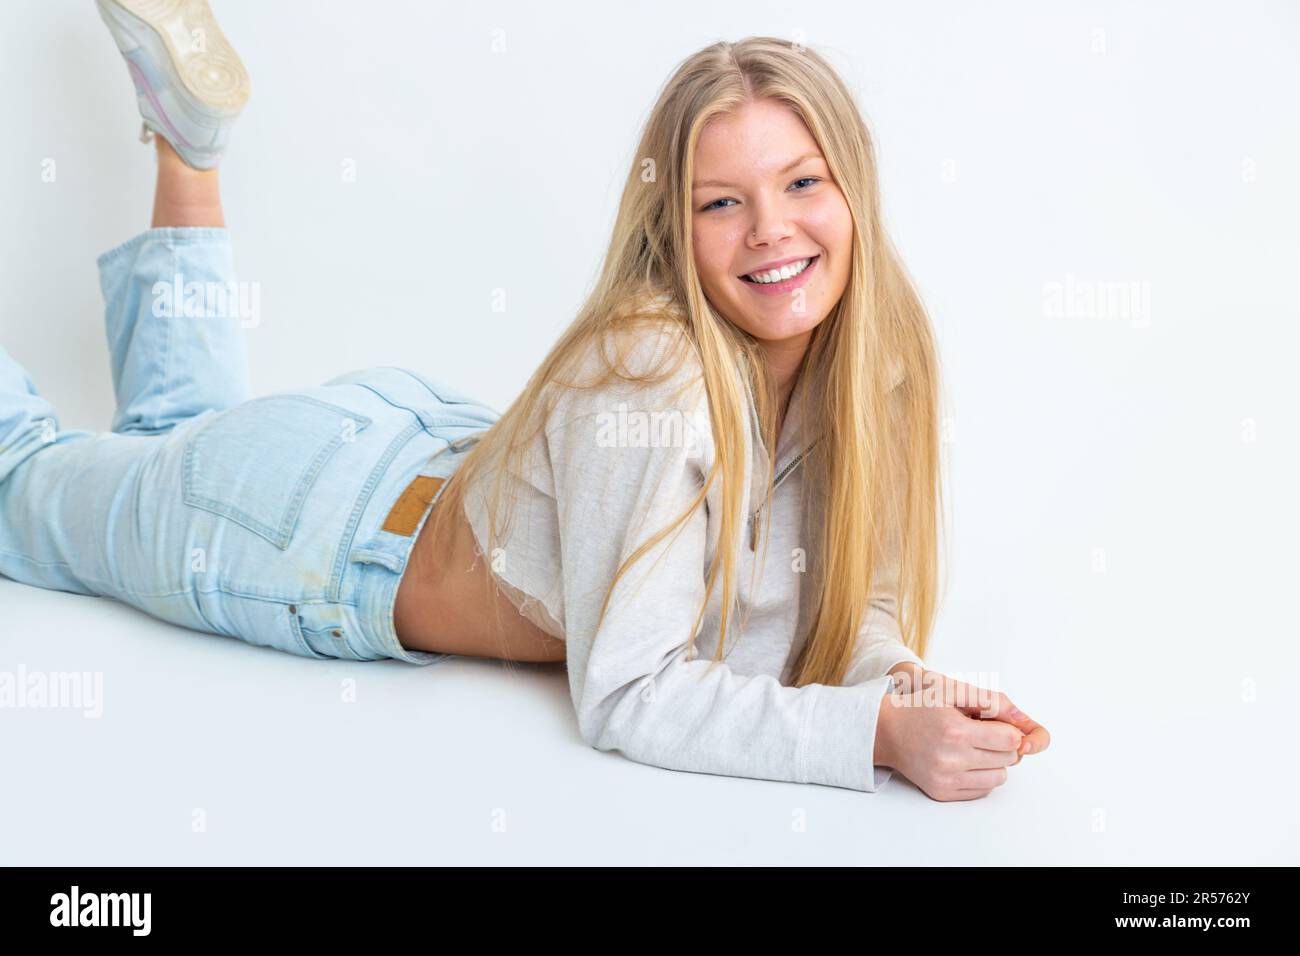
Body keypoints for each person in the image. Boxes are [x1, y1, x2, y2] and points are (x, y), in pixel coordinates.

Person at [0, 1, 1048, 800]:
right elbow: (628, 691)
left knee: (162, 446)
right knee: (21, 481)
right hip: (307, 534)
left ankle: (190, 146)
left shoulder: (877, 359)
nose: (771, 229)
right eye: (722, 203)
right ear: (673, 231)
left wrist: (905, 689)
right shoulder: (653, 374)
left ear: (853, 189)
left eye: (802, 184)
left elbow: (847, 600)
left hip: (390, 462)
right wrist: (867, 736)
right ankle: (188, 158)